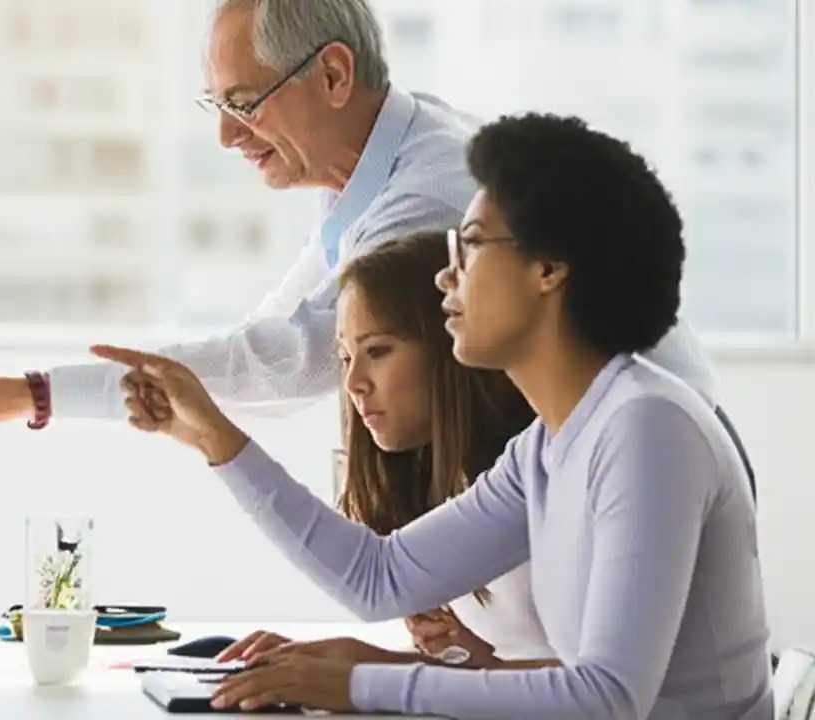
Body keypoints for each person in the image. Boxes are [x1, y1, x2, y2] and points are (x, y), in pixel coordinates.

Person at [92, 113, 771, 717]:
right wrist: (215, 437)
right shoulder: (551, 444)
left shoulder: (646, 426)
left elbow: (606, 698)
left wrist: (363, 686)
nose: (447, 277)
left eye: (470, 245)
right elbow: (380, 577)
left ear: (549, 268)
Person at [0, 0, 715, 435]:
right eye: (215, 105)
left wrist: (32, 395)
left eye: (246, 103)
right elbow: (267, 345)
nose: (229, 136)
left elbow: (286, 363)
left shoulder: (427, 193)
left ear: (335, 76)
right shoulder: (374, 174)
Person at [207, 229, 555, 669]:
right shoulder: (455, 480)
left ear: (450, 341)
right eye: (346, 358)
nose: (354, 384)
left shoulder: (545, 467)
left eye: (378, 350)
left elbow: (620, 690)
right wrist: (462, 660)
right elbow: (521, 674)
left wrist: (373, 671)